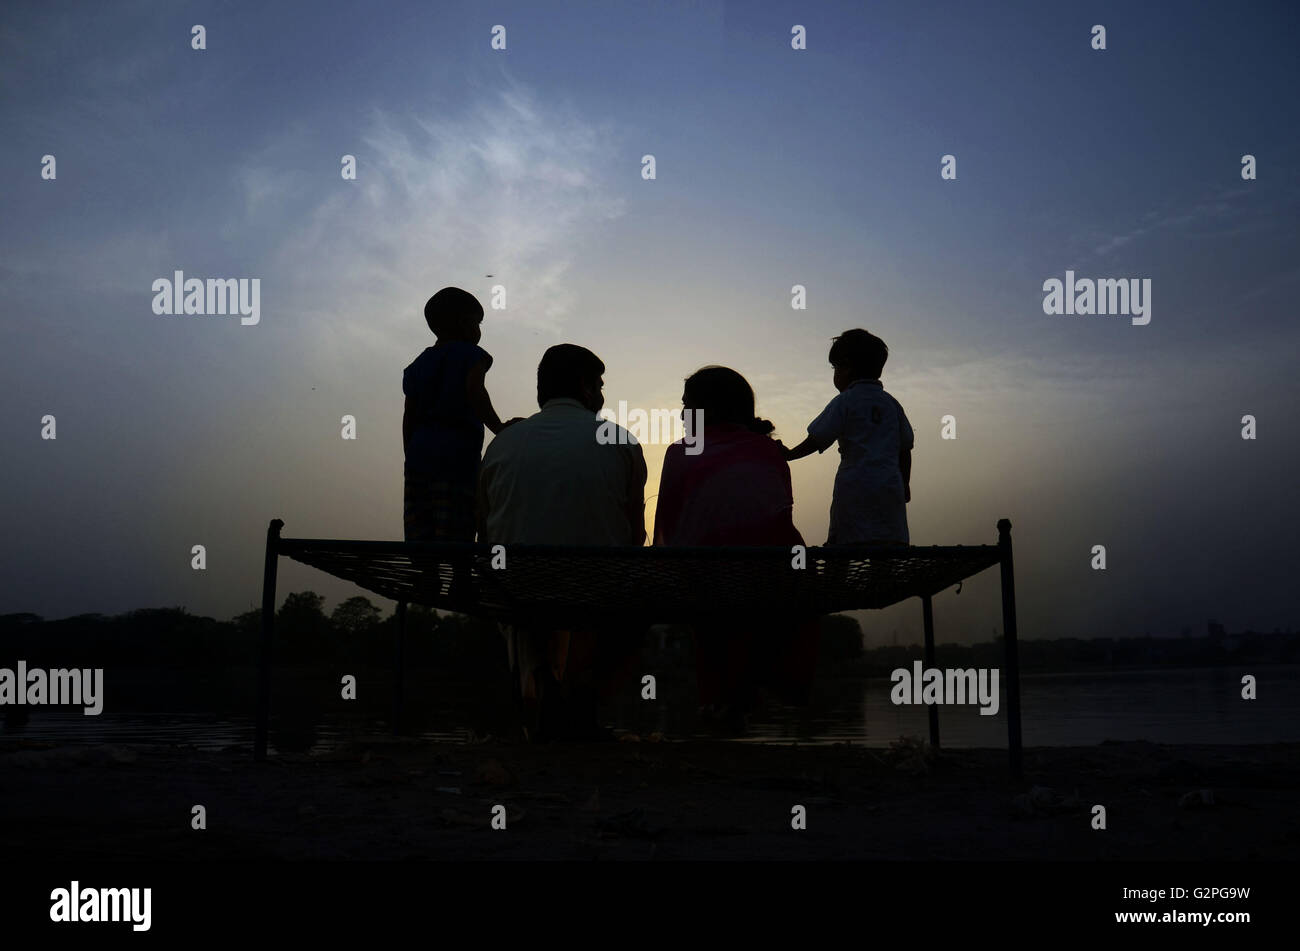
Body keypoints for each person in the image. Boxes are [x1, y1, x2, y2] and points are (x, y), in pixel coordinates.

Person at [478, 344, 647, 739]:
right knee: (632, 594)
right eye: (600, 385)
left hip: (514, 587)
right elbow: (634, 535)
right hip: (594, 588)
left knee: (517, 591)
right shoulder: (621, 440)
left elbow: (483, 528)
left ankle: (541, 686)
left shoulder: (502, 442)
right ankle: (582, 700)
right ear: (587, 389)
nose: (602, 396)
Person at [653, 366, 819, 729]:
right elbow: (778, 512)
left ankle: (721, 700)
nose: (681, 416)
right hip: (773, 574)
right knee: (745, 587)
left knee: (707, 598)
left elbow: (667, 523)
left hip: (706, 575)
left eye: (686, 406)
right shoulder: (769, 451)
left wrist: (662, 572)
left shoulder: (680, 452)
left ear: (708, 411)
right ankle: (758, 686)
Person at [401, 287, 513, 543]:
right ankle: (461, 577)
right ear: (465, 324)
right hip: (457, 452)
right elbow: (475, 390)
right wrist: (498, 427)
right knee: (459, 516)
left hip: (419, 454)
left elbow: (409, 416)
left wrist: (410, 454)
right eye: (477, 322)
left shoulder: (417, 365)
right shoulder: (470, 354)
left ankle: (427, 576)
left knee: (422, 518)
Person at [785, 329, 914, 545]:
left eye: (835, 367)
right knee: (886, 545)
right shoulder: (892, 404)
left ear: (846, 367)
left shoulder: (845, 401)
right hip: (890, 488)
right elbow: (904, 448)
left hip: (855, 487)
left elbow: (817, 439)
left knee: (842, 543)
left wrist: (789, 455)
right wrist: (905, 484)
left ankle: (834, 578)